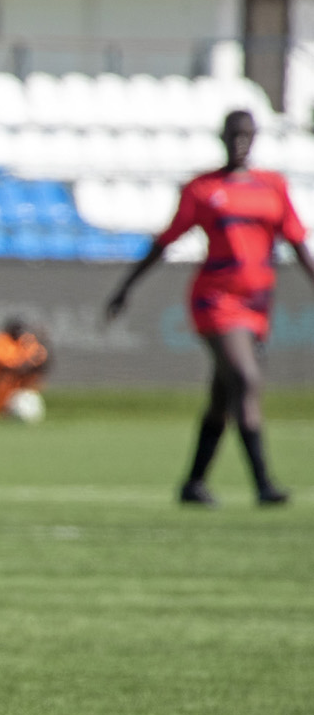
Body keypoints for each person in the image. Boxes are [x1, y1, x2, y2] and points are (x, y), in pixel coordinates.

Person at [106, 110, 313, 507]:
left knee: (224, 394)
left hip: (257, 305)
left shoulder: (272, 187)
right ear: (222, 137)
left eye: (246, 135)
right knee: (247, 379)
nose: (239, 142)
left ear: (255, 139)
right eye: (233, 134)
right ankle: (264, 484)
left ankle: (193, 484)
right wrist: (125, 287)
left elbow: (298, 242)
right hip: (216, 301)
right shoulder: (203, 189)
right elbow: (165, 241)